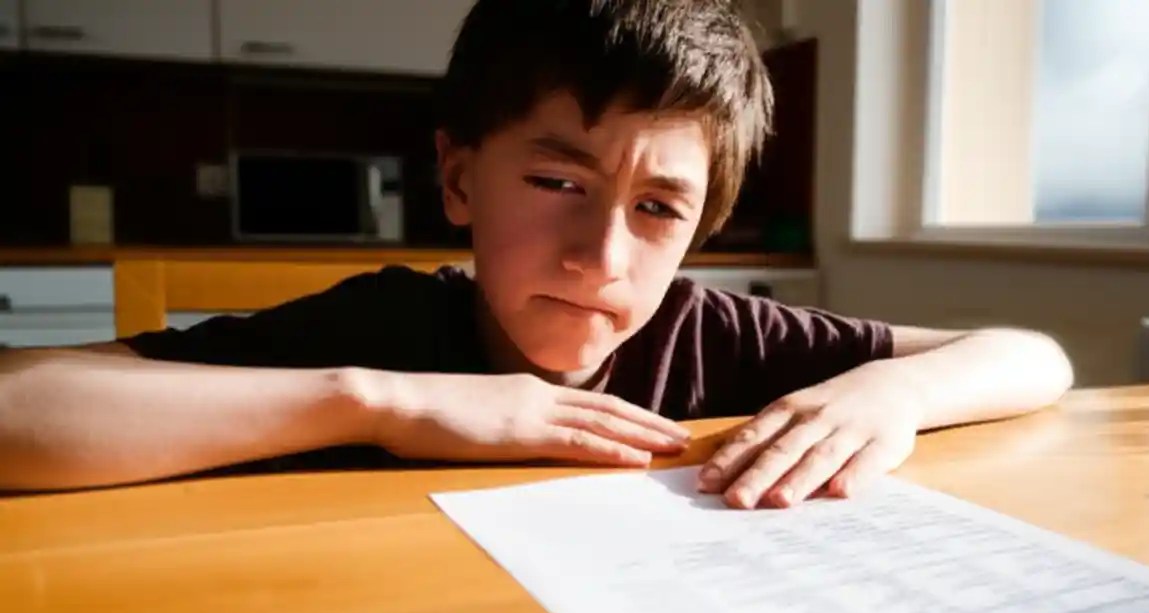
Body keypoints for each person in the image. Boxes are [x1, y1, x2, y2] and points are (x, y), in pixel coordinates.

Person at [0, 0, 1072, 507]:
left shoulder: (714, 335)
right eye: (557, 182)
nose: (599, 255)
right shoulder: (385, 331)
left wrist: (891, 391)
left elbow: (1031, 355)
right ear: (460, 178)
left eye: (658, 208)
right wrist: (379, 404)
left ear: (700, 228)